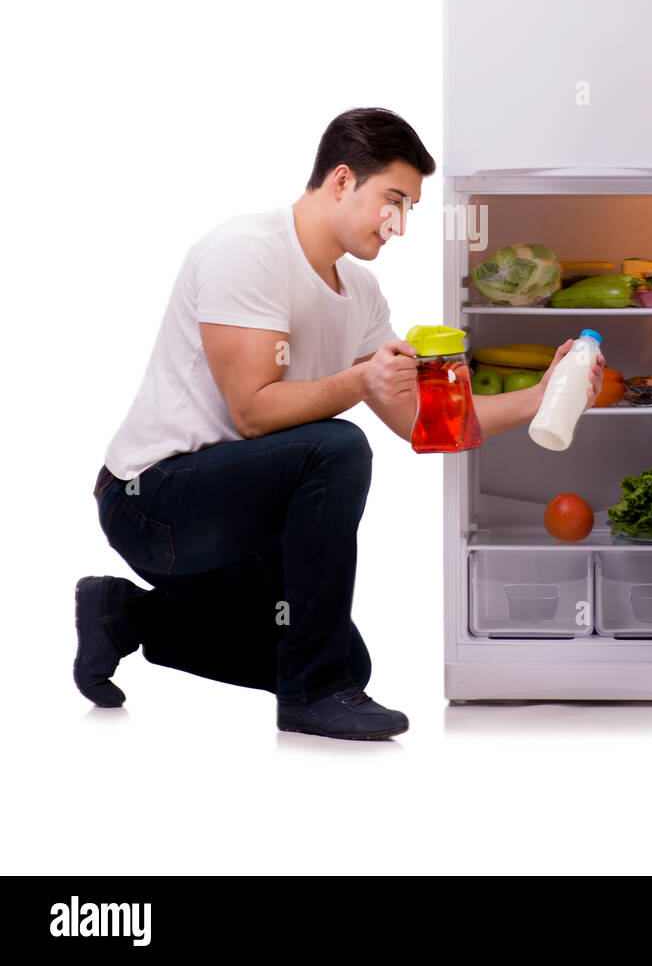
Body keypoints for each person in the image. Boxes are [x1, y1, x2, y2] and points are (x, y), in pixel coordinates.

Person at [75, 106, 604, 740]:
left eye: (408, 208)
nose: (400, 225)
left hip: (240, 524)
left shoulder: (361, 295)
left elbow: (420, 426)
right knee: (336, 448)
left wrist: (541, 397)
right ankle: (311, 697)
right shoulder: (247, 253)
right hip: (152, 502)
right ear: (344, 179)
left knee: (343, 657)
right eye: (394, 200)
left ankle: (124, 616)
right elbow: (251, 412)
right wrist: (358, 381)